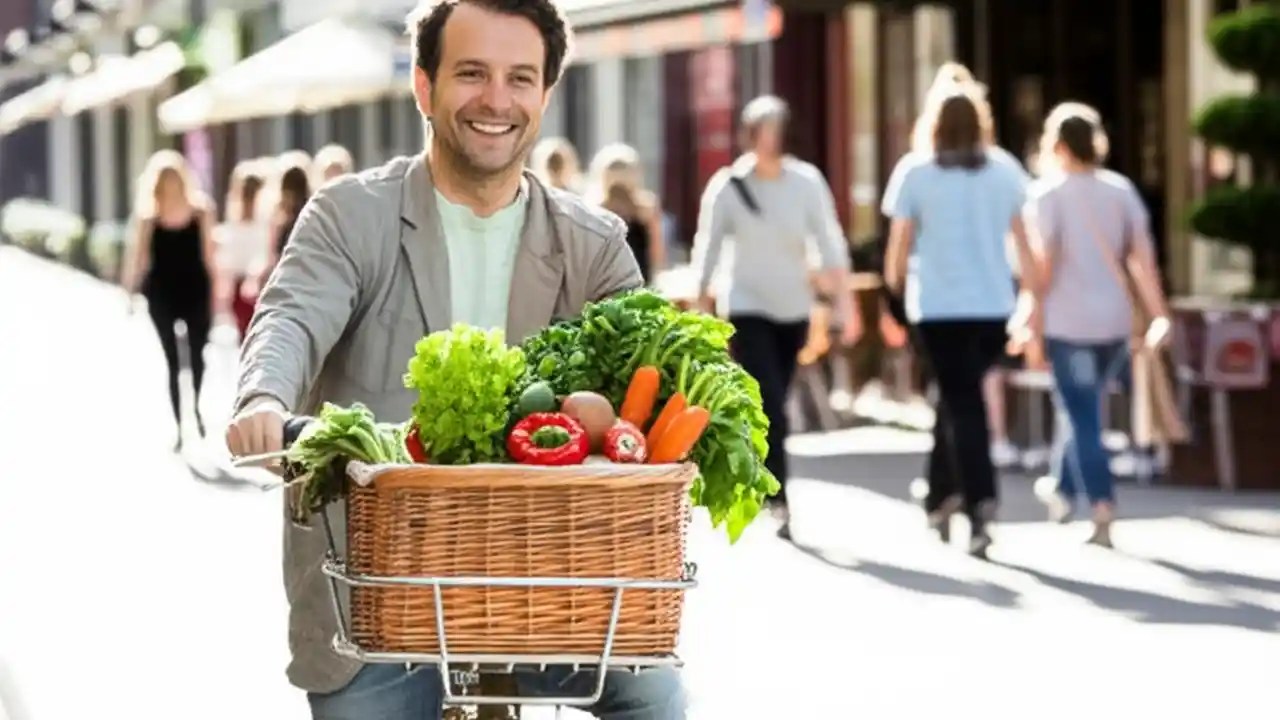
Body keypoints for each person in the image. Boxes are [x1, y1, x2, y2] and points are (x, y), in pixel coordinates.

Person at [223, 1, 683, 718]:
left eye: (519, 78)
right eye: (471, 73)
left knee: (655, 698)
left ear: (545, 95)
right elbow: (291, 317)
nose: (496, 100)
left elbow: (649, 378)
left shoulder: (593, 247)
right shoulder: (350, 218)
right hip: (378, 600)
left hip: (551, 592)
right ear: (423, 86)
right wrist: (263, 401)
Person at [881, 84, 1038, 558]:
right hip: (993, 308)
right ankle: (939, 496)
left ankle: (980, 504)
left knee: (962, 403)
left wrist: (893, 300)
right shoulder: (1006, 169)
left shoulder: (916, 171)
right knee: (954, 398)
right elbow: (1025, 245)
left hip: (938, 310)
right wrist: (1032, 300)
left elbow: (897, 251)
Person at [693, 94, 860, 541]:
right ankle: (778, 495)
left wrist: (845, 300)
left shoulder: (806, 182)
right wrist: (700, 306)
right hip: (746, 306)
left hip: (794, 308)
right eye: (767, 128)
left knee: (777, 401)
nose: (775, 138)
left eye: (780, 128)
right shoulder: (728, 186)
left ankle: (768, 476)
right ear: (751, 135)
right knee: (769, 398)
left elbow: (829, 240)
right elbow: (707, 249)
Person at [1023, 102, 1172, 548]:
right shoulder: (1120, 191)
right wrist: (1159, 312)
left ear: (1058, 145)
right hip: (1114, 322)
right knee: (1082, 409)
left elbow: (1042, 268)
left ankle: (1101, 503)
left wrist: (1031, 315)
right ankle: (1062, 488)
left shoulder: (1048, 195)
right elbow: (1144, 260)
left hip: (1069, 322)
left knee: (1081, 413)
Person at [121, 150, 218, 451]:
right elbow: (137, 257)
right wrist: (130, 292)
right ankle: (180, 427)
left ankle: (197, 408)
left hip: (195, 290)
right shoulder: (149, 218)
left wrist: (218, 295)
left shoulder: (201, 211)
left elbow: (209, 255)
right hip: (161, 293)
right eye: (167, 180)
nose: (172, 185)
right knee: (173, 361)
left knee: (198, 356)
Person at [587, 142, 666, 284]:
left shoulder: (645, 208)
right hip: (615, 279)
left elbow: (656, 251)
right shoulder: (596, 208)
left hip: (630, 278)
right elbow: (657, 252)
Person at [217, 160, 271, 341]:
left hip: (252, 280)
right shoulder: (239, 216)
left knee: (249, 336)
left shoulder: (264, 217)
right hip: (249, 281)